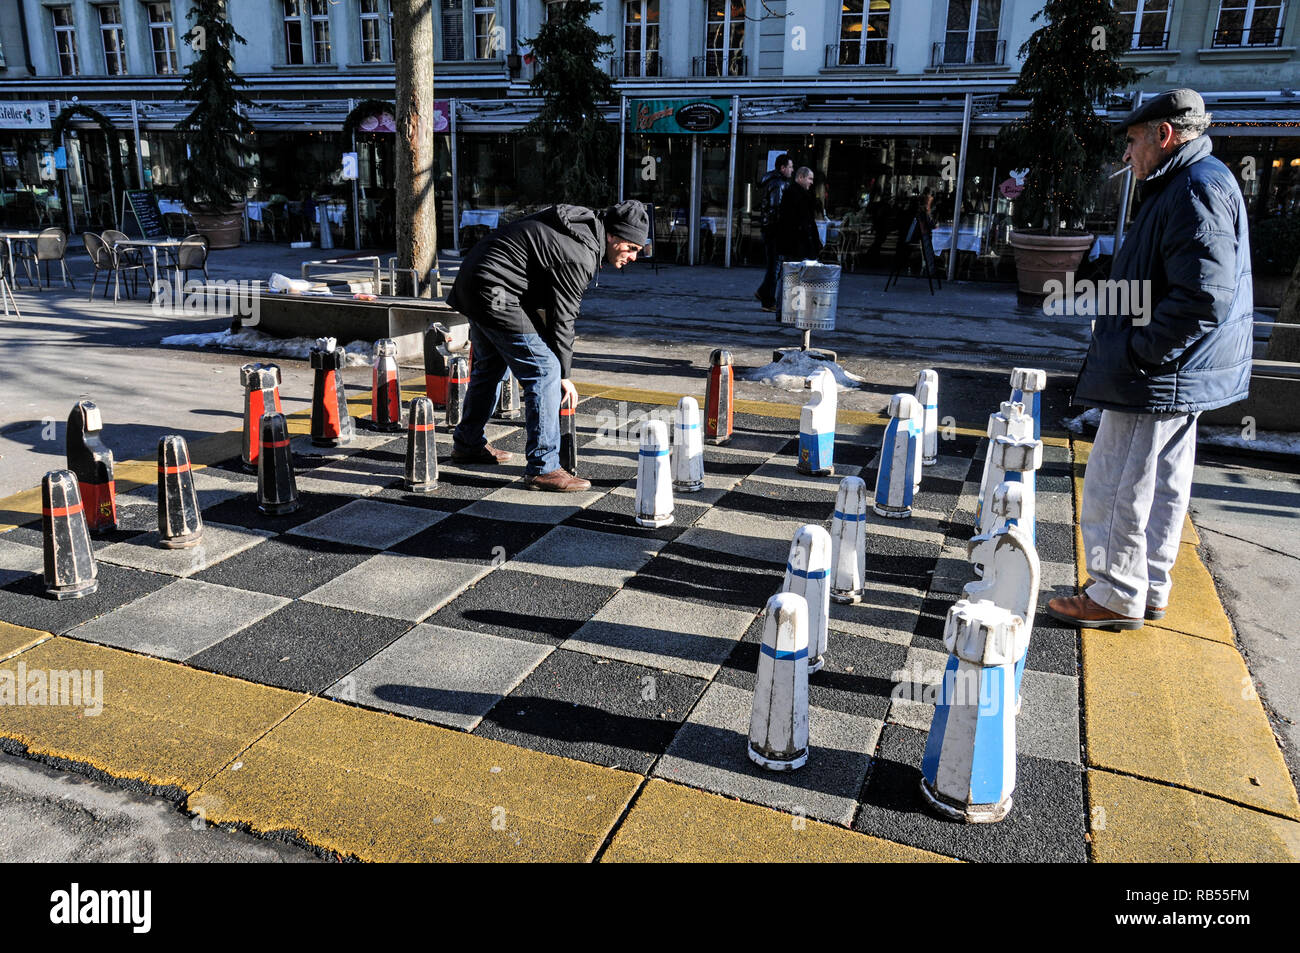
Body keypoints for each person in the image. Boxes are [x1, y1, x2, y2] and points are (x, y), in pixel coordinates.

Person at [1047, 89, 1253, 630]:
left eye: (1134, 141)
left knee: (1119, 482)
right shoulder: (1196, 180)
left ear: (1164, 135)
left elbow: (1204, 296)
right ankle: (1149, 586)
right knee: (1162, 482)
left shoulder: (1192, 188)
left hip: (1158, 375)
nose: (1126, 155)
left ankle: (1115, 593)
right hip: (1179, 374)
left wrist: (1140, 353)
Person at [446, 200, 648, 492]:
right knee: (544, 371)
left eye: (639, 251)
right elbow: (563, 317)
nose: (633, 257)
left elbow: (548, 309)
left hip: (479, 282)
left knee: (491, 367)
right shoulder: (580, 252)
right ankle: (544, 467)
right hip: (494, 291)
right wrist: (564, 374)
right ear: (613, 236)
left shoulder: (581, 231)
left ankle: (467, 443)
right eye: (631, 248)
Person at [754, 154, 792, 311]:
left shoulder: (772, 181)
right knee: (775, 266)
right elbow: (776, 208)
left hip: (769, 228)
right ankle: (768, 301)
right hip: (774, 229)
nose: (792, 170)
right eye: (790, 167)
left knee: (774, 265)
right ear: (782, 168)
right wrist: (783, 227)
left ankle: (763, 292)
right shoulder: (778, 183)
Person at [778, 166, 823, 263]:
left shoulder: (800, 194)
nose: (812, 182)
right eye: (810, 178)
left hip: (799, 247)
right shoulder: (794, 194)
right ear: (800, 177)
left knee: (795, 275)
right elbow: (797, 222)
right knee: (794, 275)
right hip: (797, 247)